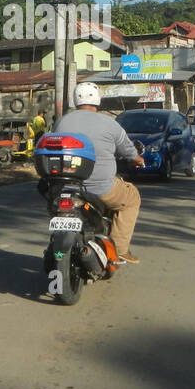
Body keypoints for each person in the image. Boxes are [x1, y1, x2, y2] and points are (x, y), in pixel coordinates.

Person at [54, 82, 147, 262]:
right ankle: (119, 249)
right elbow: (128, 150)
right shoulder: (109, 123)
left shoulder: (61, 122)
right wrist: (138, 159)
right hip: (101, 189)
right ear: (97, 99)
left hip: (65, 186)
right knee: (132, 197)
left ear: (76, 99)